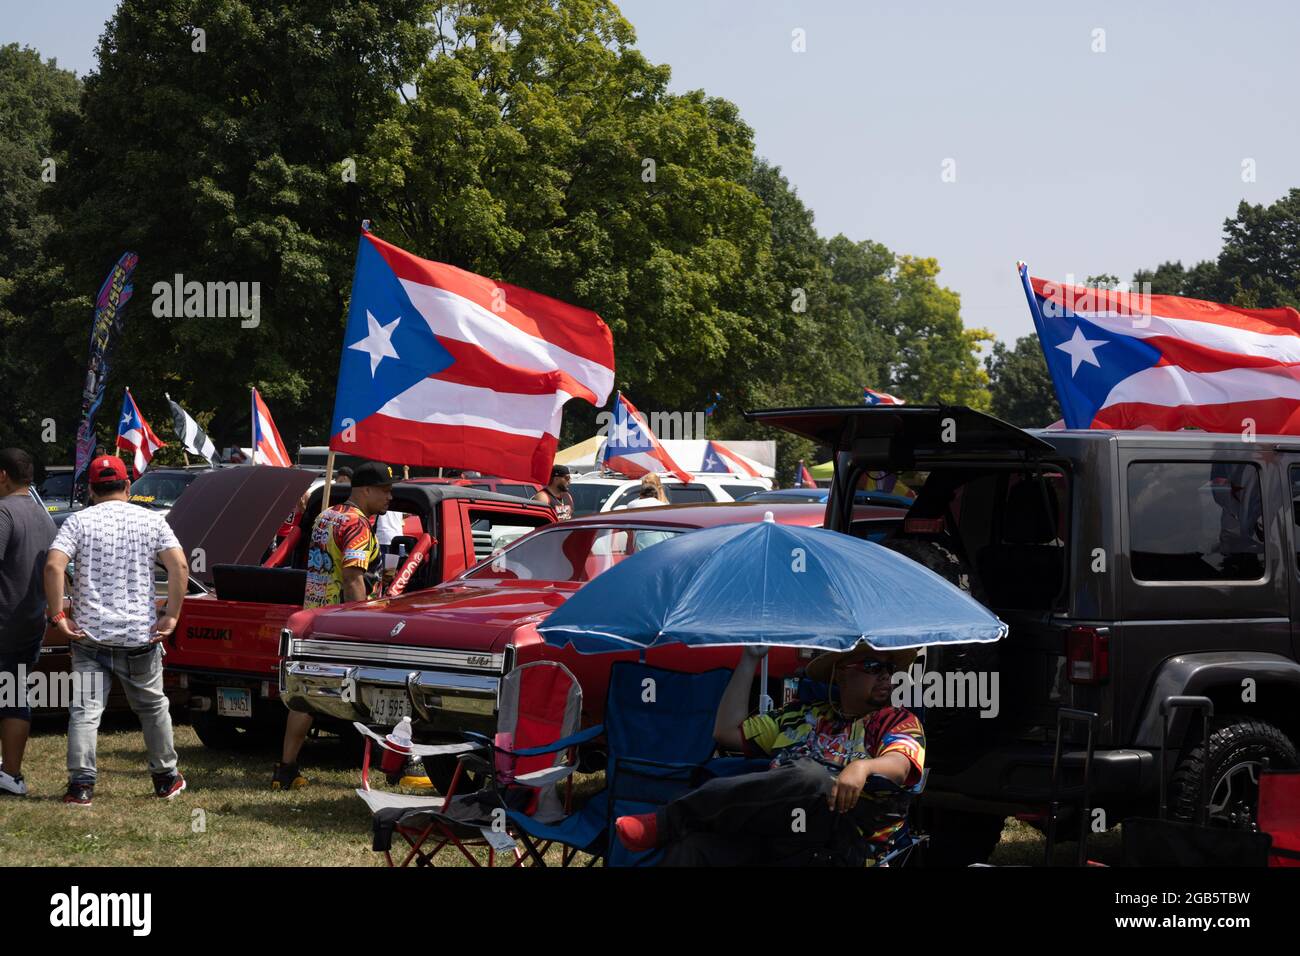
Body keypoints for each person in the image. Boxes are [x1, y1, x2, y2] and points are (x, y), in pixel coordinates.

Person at [614, 643, 925, 866]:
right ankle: (678, 827)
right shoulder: (801, 715)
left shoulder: (896, 720)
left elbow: (901, 763)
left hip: (840, 837)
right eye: (873, 667)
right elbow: (725, 732)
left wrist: (863, 767)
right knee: (695, 849)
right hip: (771, 830)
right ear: (840, 674)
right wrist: (748, 659)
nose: (885, 676)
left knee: (812, 777)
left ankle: (668, 820)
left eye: (888, 668)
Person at [44, 455, 189, 806]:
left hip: (90, 637)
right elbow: (179, 565)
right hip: (139, 635)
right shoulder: (151, 521)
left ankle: (81, 786)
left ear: (91, 490)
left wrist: (58, 616)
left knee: (85, 712)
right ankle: (165, 778)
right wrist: (171, 615)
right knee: (152, 708)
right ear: (127, 485)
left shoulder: (78, 522)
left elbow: (53, 565)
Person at [272, 461, 393, 790]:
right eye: (384, 491)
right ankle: (385, 767)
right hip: (344, 621)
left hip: (314, 617)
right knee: (368, 691)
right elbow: (354, 576)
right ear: (365, 490)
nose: (389, 498)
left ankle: (286, 768)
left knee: (307, 696)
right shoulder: (358, 525)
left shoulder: (327, 515)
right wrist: (364, 620)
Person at [0, 449, 58, 797]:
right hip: (30, 622)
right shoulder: (44, 515)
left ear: (3, 475)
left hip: (3, 620)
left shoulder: (4, 511)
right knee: (14, 696)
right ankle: (11, 774)